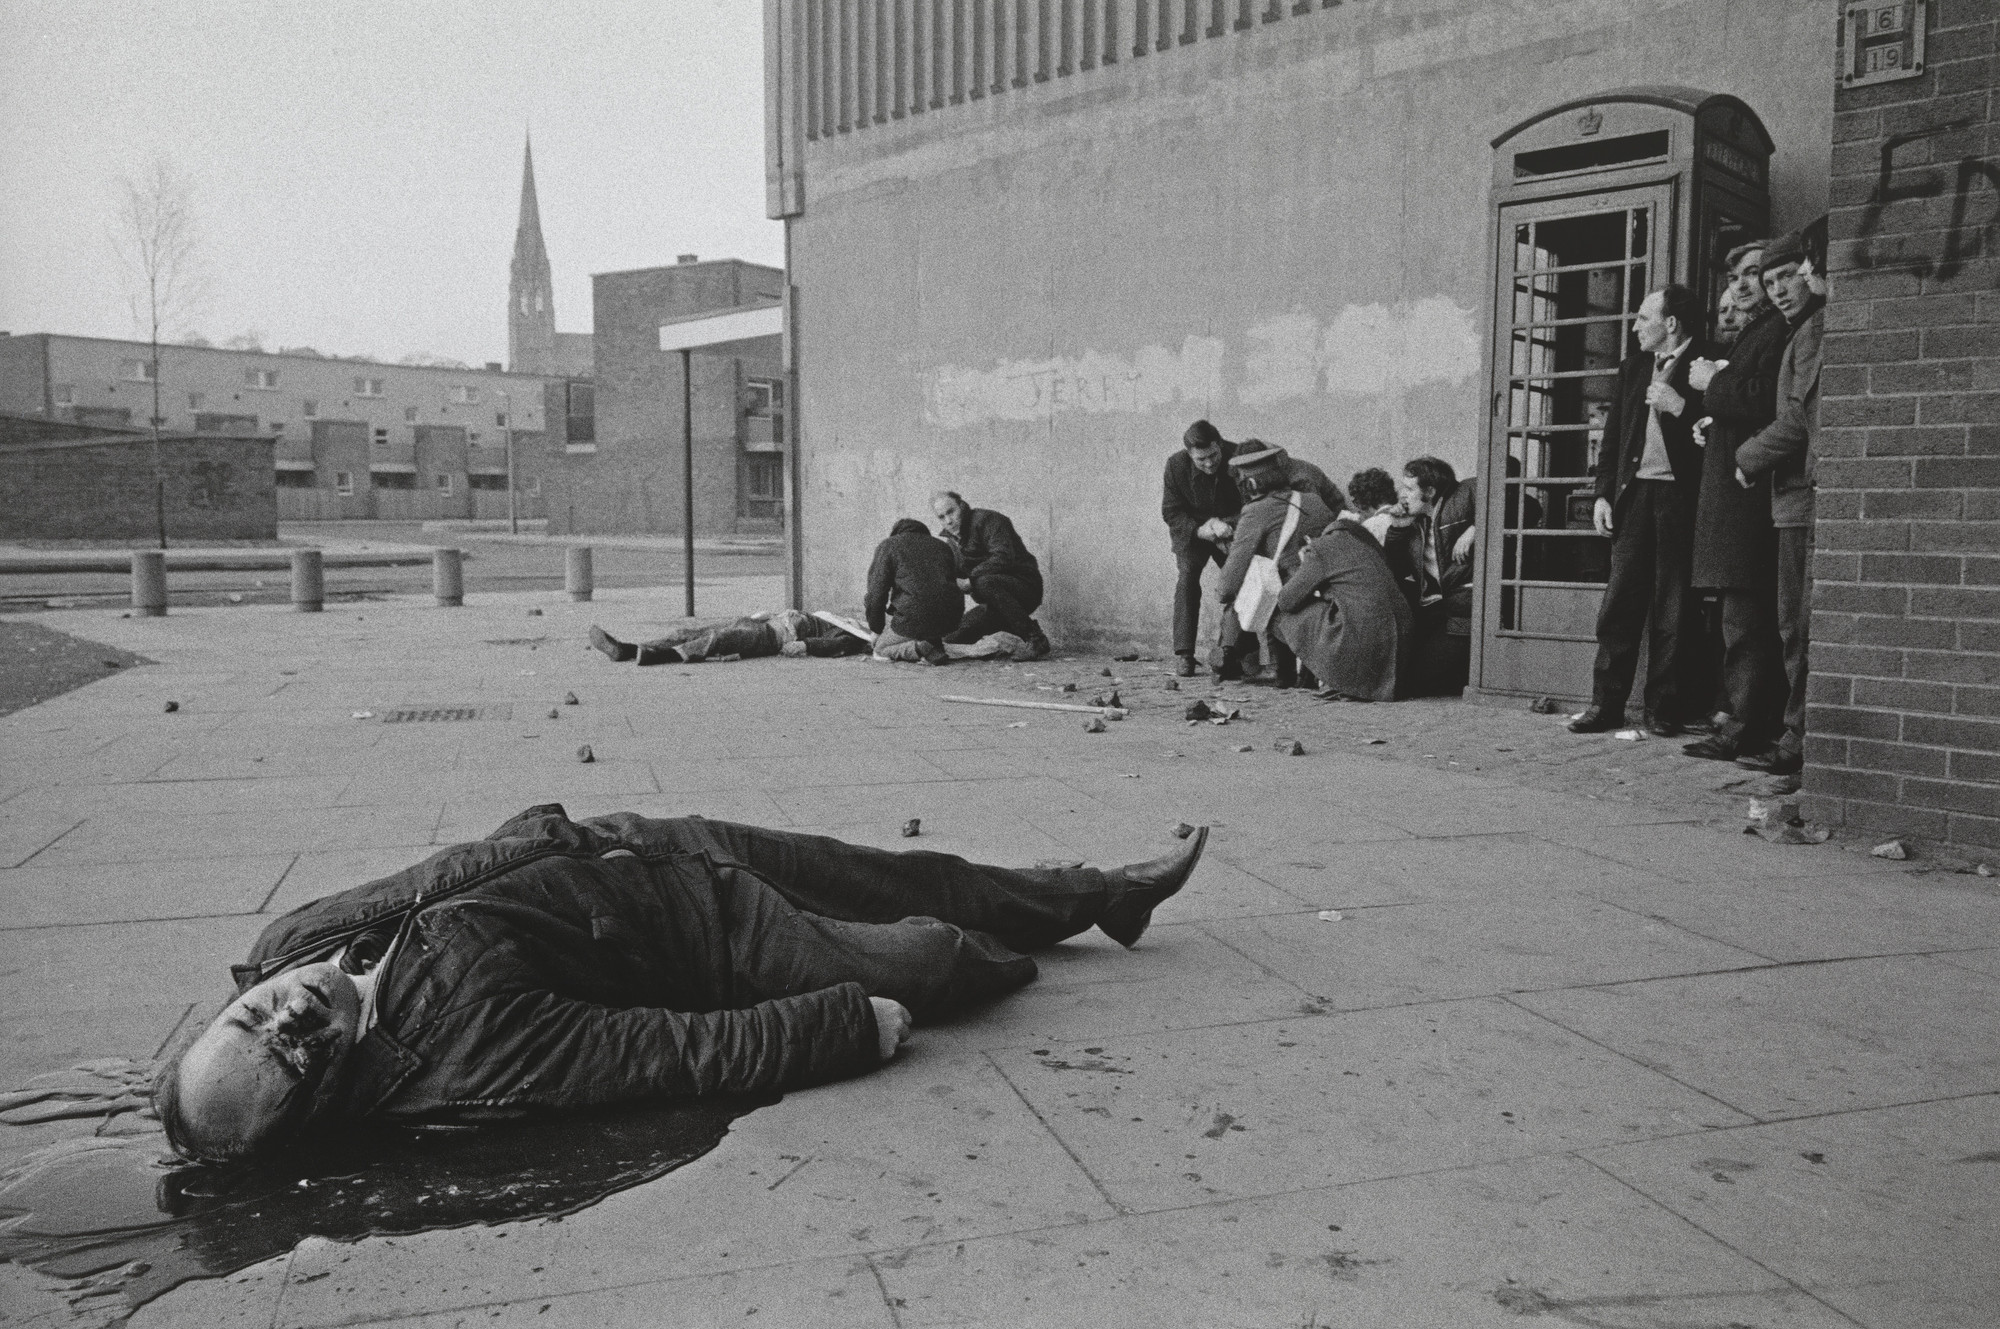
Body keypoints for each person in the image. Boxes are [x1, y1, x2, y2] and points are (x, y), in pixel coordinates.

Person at [153, 805, 1211, 1165]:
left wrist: (538, 837)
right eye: (290, 1055)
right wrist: (843, 1026)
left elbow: (439, 880)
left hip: (650, 849)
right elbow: (662, 1055)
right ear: (322, 1098)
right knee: (928, 956)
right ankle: (1002, 946)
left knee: (893, 871)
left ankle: (1099, 895)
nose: (289, 1012)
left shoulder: (291, 939)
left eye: (256, 1016)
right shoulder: (460, 1060)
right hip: (719, 940)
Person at [1570, 284, 1707, 736]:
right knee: (1619, 604)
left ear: (1670, 324)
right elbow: (1613, 439)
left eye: (1643, 319)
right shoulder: (1632, 368)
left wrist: (1681, 407)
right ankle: (1604, 704)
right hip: (1633, 497)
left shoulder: (1708, 363)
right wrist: (1603, 494)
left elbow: (1720, 434)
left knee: (1674, 607)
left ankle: (1662, 710)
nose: (1634, 327)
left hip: (1681, 499)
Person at [1681, 240, 1790, 762]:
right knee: (1741, 619)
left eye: (1758, 275)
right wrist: (1712, 419)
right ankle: (1747, 719)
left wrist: (1711, 383)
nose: (1745, 285)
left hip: (1747, 501)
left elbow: (1768, 400)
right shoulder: (1759, 331)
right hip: (1737, 496)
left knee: (1747, 623)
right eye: (1739, 276)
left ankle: (1745, 727)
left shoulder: (1776, 331)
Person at [1733, 229, 1827, 787]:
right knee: (1794, 623)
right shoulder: (1801, 330)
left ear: (1808, 272)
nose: (1777, 290)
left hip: (1798, 499)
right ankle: (1797, 733)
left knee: (1798, 624)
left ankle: (1797, 740)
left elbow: (1795, 423)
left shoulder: (1813, 329)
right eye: (1769, 283)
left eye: (1786, 277)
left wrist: (1745, 457)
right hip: (1792, 499)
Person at [1271, 470, 1412, 702]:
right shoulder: (1364, 541)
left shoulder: (1324, 546)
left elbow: (1287, 600)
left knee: (1286, 616)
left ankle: (1307, 677)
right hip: (1401, 637)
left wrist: (1306, 565)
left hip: (1368, 642)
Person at [1214, 443, 1337, 686]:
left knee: (1261, 586)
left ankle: (1273, 667)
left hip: (1291, 603)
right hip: (1327, 597)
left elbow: (1228, 585)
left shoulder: (1256, 510)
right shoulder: (1314, 501)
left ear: (1249, 484)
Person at [1382, 457, 1475, 697]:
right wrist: (1398, 528)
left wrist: (1478, 528)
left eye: (1410, 488)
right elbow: (1396, 570)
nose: (1402, 495)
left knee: (1415, 682)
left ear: (1430, 491)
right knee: (1398, 673)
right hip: (1435, 611)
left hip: (1465, 611)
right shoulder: (1415, 523)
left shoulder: (1466, 493)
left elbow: (1526, 503)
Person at [1161, 420, 1242, 678]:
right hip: (1193, 532)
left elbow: (1253, 505)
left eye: (1213, 455)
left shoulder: (1239, 457)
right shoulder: (1175, 466)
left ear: (1220, 444)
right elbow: (1171, 512)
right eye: (1200, 460)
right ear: (1188, 454)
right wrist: (1199, 530)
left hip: (1228, 530)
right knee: (1187, 579)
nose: (1209, 464)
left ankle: (1229, 652)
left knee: (1238, 583)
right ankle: (1184, 655)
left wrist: (1227, 525)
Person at [932, 491, 1052, 660]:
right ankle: (1013, 633)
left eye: (951, 512)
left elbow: (1003, 556)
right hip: (995, 603)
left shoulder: (988, 520)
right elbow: (955, 579)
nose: (948, 521)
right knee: (952, 637)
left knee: (983, 582)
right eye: (941, 517)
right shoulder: (952, 541)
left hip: (1025, 588)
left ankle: (1035, 639)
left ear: (961, 505)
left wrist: (971, 580)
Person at [590, 610, 866, 665]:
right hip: (764, 624)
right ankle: (628, 649)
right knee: (688, 632)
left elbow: (838, 645)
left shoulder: (853, 634)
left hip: (773, 635)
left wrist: (805, 644)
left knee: (718, 640)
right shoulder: (836, 619)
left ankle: (650, 655)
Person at [865, 518, 963, 665]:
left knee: (881, 649)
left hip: (915, 616)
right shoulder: (943, 546)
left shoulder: (889, 545)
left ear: (896, 533)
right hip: (951, 619)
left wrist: (876, 629)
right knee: (923, 626)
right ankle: (932, 646)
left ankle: (918, 649)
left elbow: (876, 594)